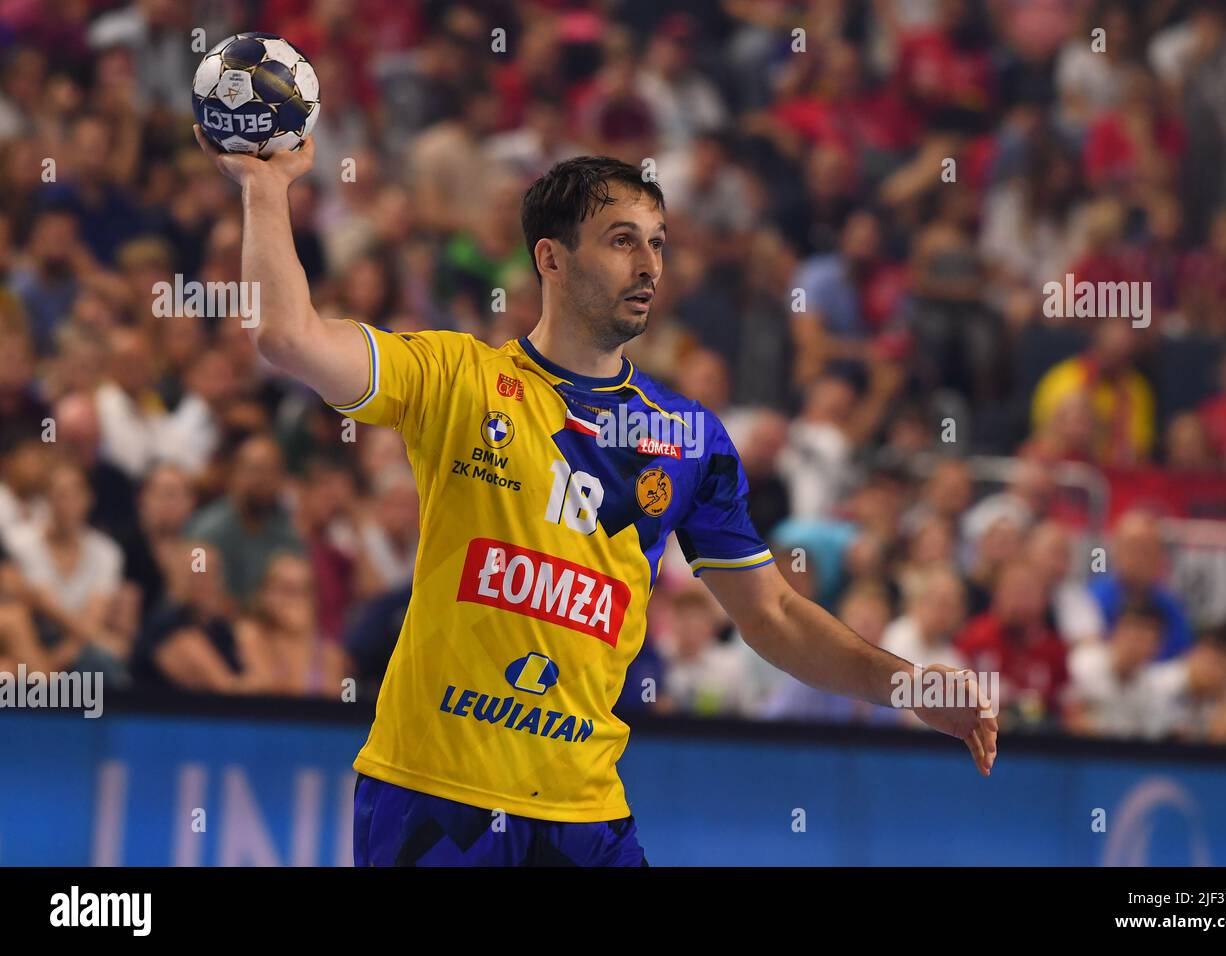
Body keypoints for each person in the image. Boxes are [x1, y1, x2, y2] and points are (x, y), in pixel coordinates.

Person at [197, 134, 997, 868]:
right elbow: (286, 336)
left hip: (585, 819)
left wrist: (911, 685)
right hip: (434, 800)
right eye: (622, 242)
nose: (649, 265)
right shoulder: (456, 378)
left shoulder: (687, 437)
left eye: (657, 244)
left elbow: (774, 617)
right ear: (550, 258)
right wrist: (266, 189)